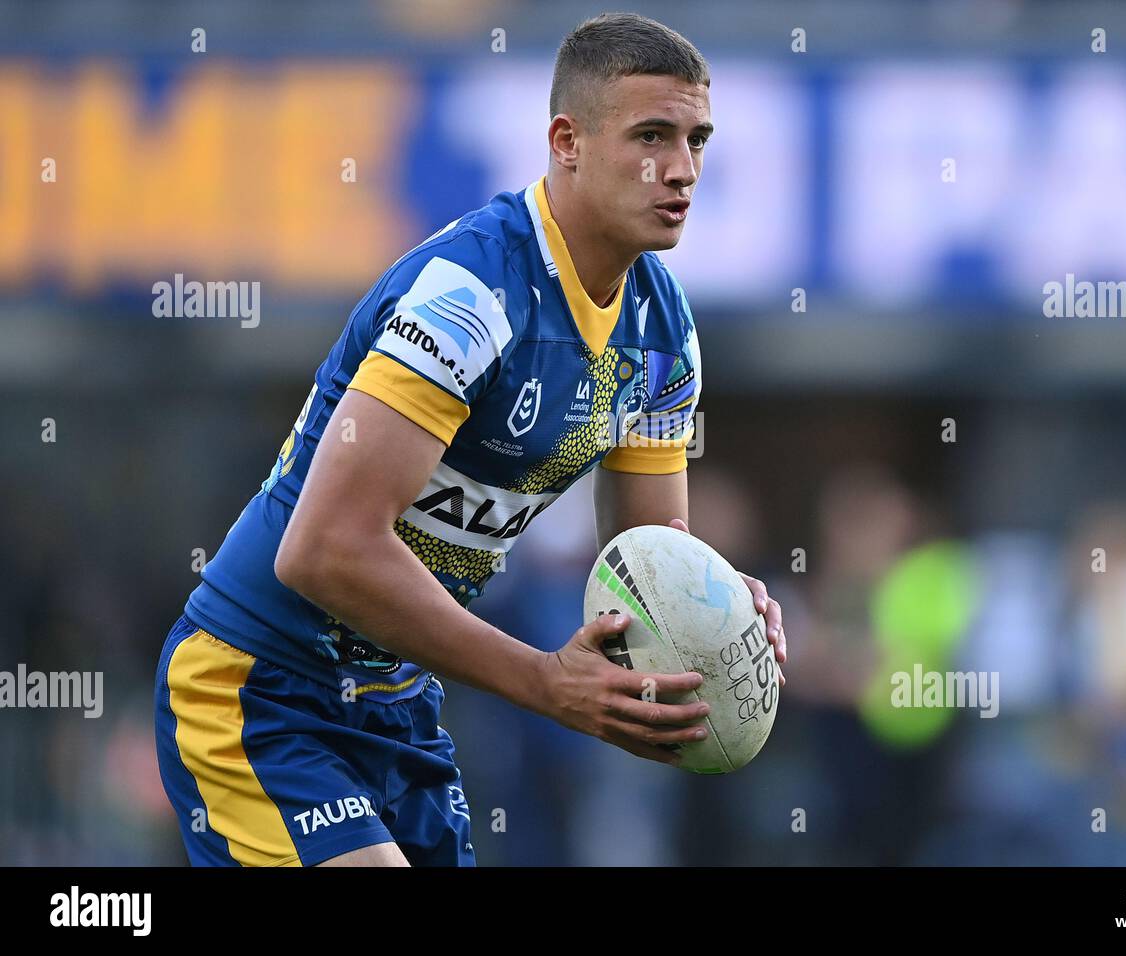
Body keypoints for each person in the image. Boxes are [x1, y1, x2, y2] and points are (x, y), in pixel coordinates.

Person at [153, 12, 786, 867]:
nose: (682, 169)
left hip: (396, 701)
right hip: (256, 684)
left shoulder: (663, 330)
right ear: (567, 140)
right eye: (651, 135)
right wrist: (543, 681)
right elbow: (324, 549)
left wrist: (715, 614)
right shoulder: (470, 297)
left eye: (697, 140)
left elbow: (647, 559)